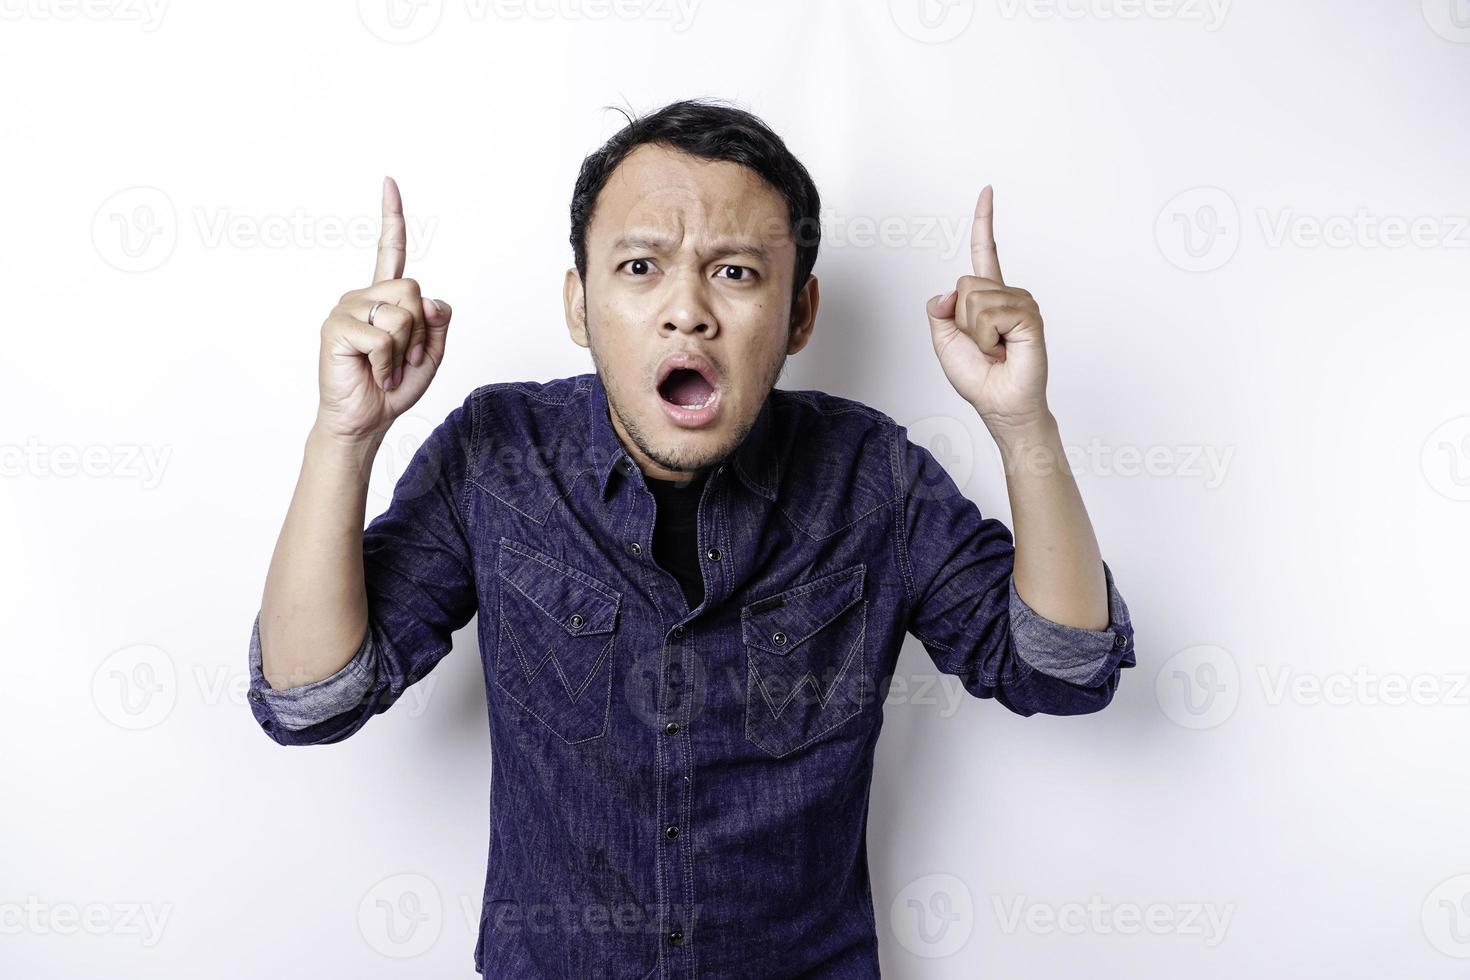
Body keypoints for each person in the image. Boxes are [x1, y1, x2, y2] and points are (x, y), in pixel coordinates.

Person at [245, 98, 1136, 978]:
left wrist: (1024, 425)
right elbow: (312, 699)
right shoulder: (496, 457)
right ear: (579, 304)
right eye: (639, 266)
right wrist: (345, 433)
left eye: (737, 273)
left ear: (799, 315)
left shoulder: (873, 477)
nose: (687, 311)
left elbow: (1063, 672)